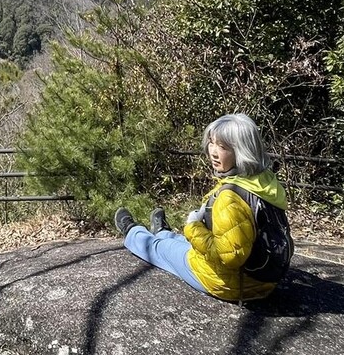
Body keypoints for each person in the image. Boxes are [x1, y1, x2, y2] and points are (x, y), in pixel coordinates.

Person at [114, 113, 290, 302]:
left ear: (243, 151)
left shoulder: (230, 198)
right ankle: (163, 232)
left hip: (230, 284)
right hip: (263, 282)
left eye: (222, 147)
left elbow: (229, 257)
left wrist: (192, 226)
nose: (213, 151)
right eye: (212, 142)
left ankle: (132, 231)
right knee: (181, 242)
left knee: (158, 249)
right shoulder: (264, 181)